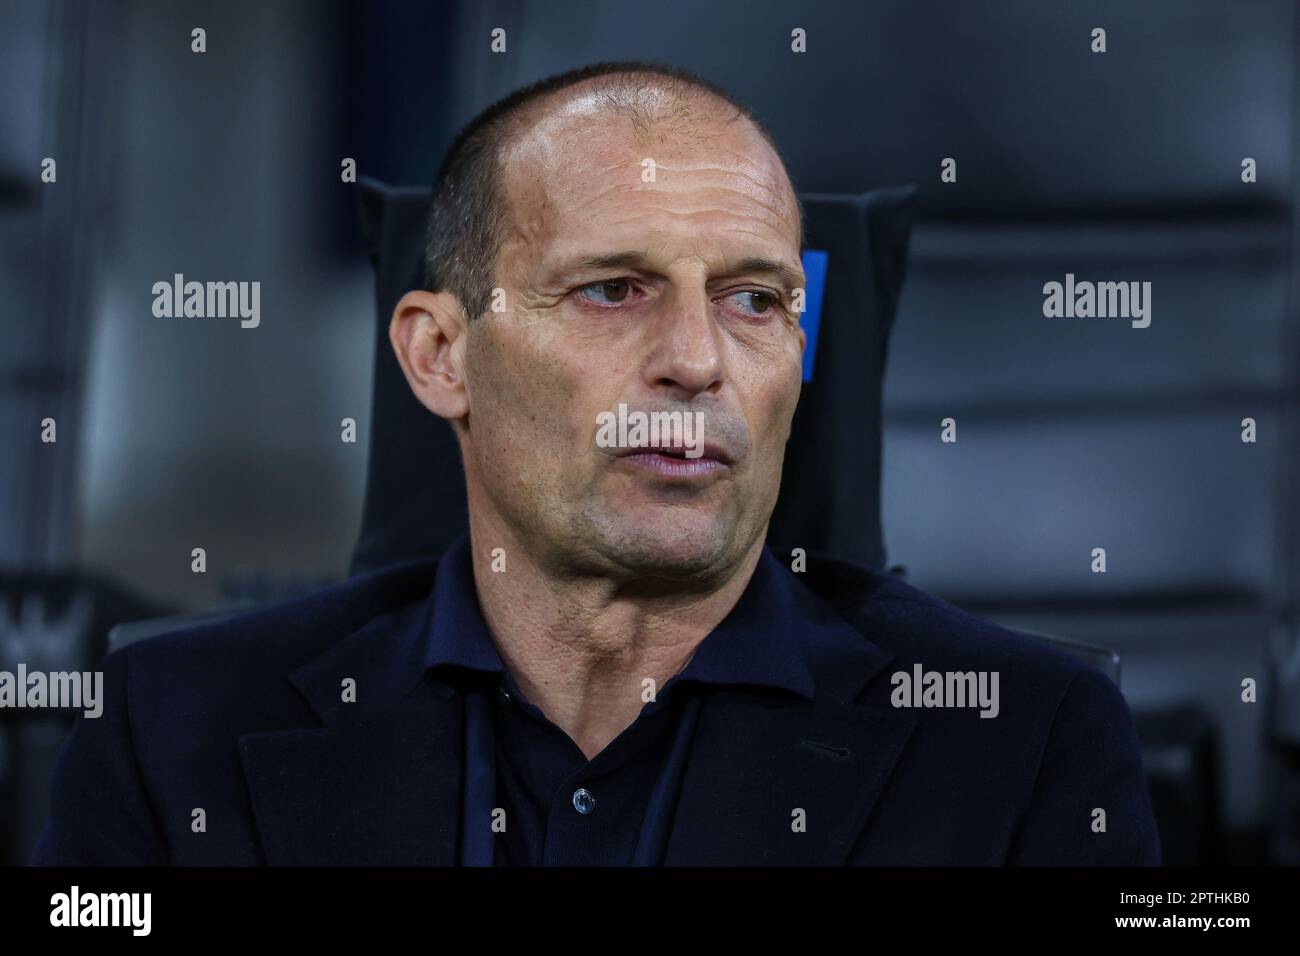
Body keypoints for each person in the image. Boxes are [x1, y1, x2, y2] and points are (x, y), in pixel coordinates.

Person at [32, 61, 1160, 866]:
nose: (693, 361)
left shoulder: (1023, 740)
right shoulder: (170, 727)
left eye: (754, 300)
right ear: (440, 355)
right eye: (612, 290)